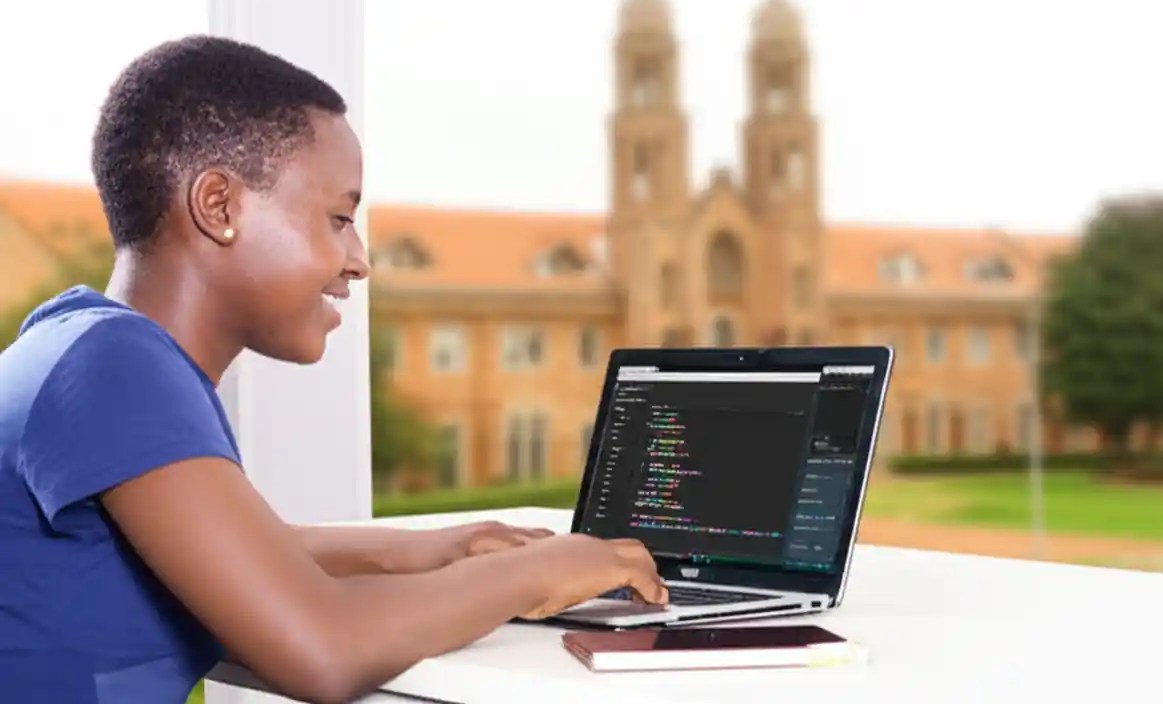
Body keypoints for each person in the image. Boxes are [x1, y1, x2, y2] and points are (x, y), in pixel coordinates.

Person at [0, 35, 668, 703]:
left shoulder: (73, 342)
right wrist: (545, 569)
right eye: (339, 218)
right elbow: (323, 648)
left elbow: (230, 549)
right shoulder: (117, 368)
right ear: (219, 206)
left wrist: (422, 550)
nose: (359, 259)